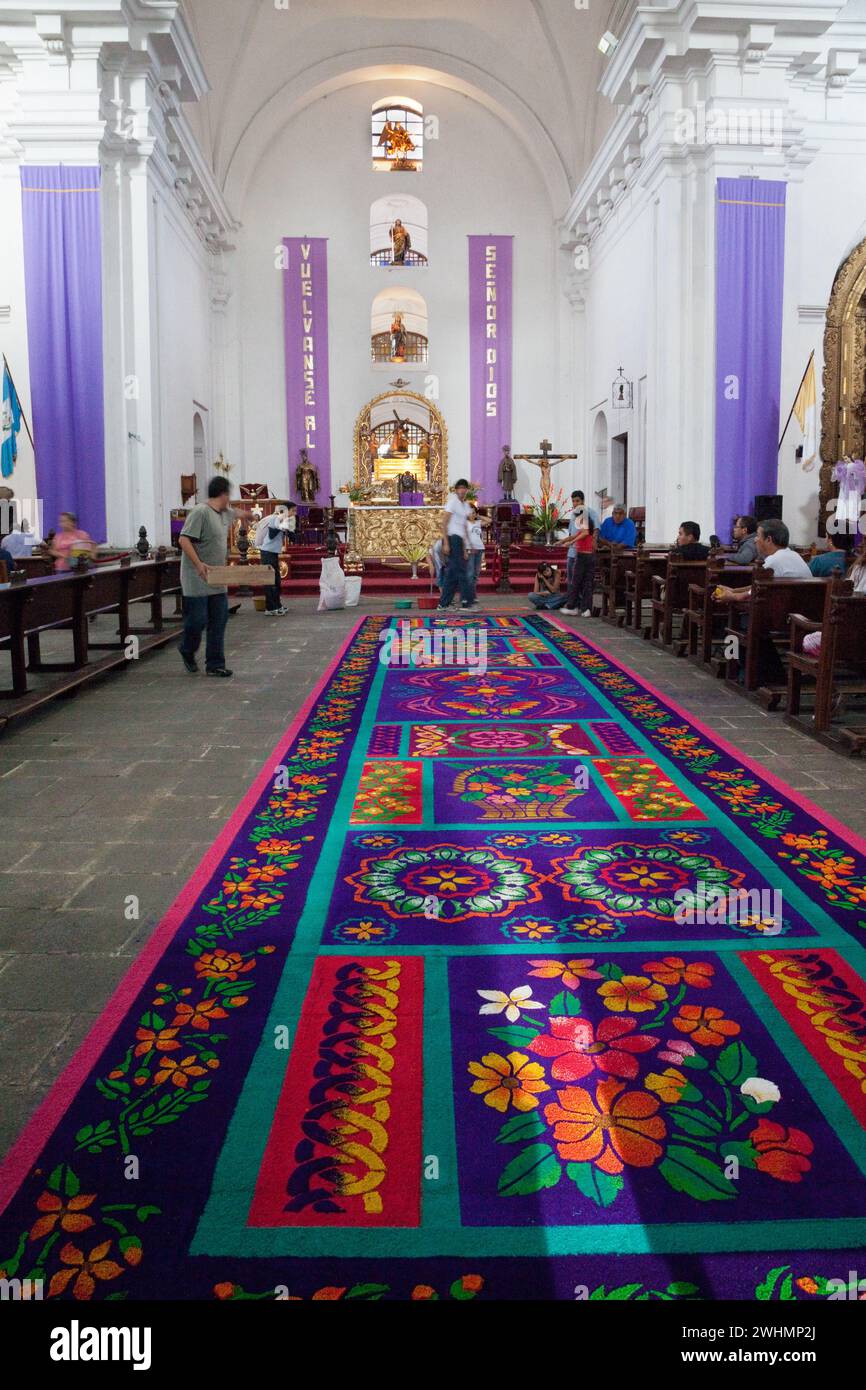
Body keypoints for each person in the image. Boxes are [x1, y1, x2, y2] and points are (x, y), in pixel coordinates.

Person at [715, 519, 812, 685]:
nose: (754, 540)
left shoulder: (772, 562)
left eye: (758, 536)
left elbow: (749, 595)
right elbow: (755, 588)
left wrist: (730, 597)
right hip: (798, 617)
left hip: (777, 619)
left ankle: (743, 670)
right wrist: (732, 590)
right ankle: (767, 671)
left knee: (735, 622)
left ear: (769, 540)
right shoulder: (794, 556)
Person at [178, 476, 234, 677]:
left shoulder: (223, 513)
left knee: (219, 620)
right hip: (197, 577)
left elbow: (237, 512)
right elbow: (184, 540)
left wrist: (248, 516)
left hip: (217, 577)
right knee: (198, 620)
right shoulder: (200, 512)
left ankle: (215, 664)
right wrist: (198, 564)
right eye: (229, 494)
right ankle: (187, 649)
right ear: (223, 494)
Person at [438, 479, 478, 610]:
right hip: (451, 538)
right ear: (456, 490)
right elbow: (444, 523)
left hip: (459, 541)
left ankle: (444, 604)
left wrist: (468, 545)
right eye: (460, 488)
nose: (462, 490)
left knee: (454, 573)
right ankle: (467, 602)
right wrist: (446, 543)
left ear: (467, 490)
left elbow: (465, 527)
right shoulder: (452, 503)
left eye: (464, 488)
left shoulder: (466, 505)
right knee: (460, 572)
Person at [255, 506, 291, 616]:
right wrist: (282, 527)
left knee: (276, 580)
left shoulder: (277, 519)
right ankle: (270, 608)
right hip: (267, 552)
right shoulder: (273, 519)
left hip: (272, 552)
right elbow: (271, 535)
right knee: (269, 581)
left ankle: (277, 605)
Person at [560, 510, 596, 616]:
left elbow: (582, 535)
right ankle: (586, 609)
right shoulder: (585, 528)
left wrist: (570, 543)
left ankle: (572, 606)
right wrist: (561, 541)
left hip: (583, 557)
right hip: (590, 557)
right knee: (587, 583)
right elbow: (575, 536)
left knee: (575, 582)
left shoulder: (585, 527)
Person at [467, 505, 487, 589]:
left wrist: (479, 516)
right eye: (470, 513)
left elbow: (489, 520)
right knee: (470, 572)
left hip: (479, 548)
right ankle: (468, 593)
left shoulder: (478, 522)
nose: (472, 514)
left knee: (476, 573)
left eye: (473, 513)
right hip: (470, 549)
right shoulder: (464, 523)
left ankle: (472, 592)